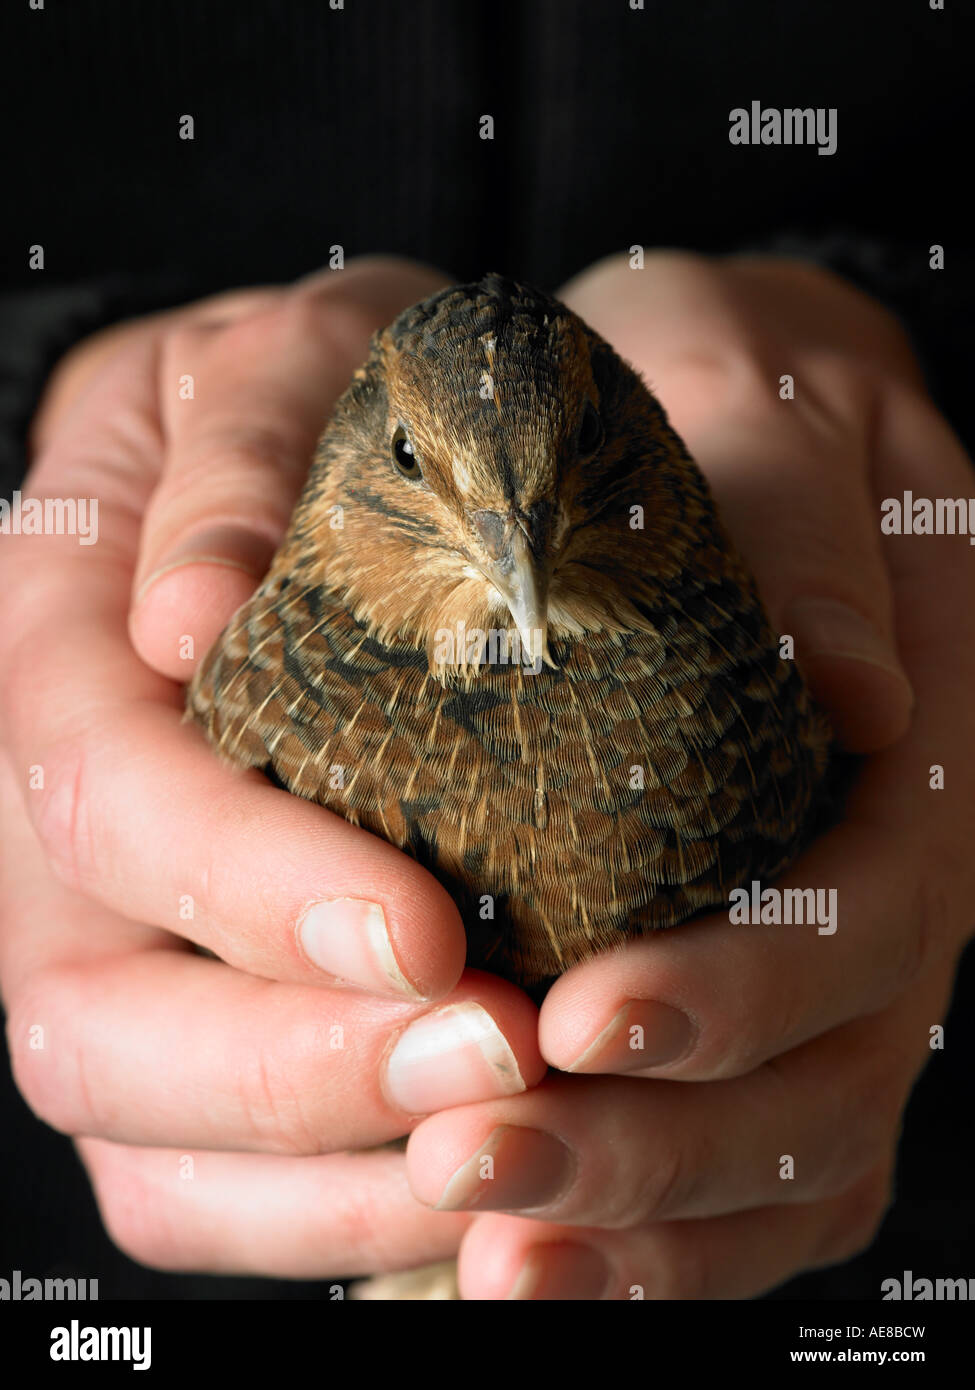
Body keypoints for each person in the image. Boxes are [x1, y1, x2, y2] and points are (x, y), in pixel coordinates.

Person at [2, 0, 973, 1301]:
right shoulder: (265, 669)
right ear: (361, 464)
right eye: (416, 466)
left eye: (571, 471)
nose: (515, 547)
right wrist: (43, 440)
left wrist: (926, 368)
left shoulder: (753, 671)